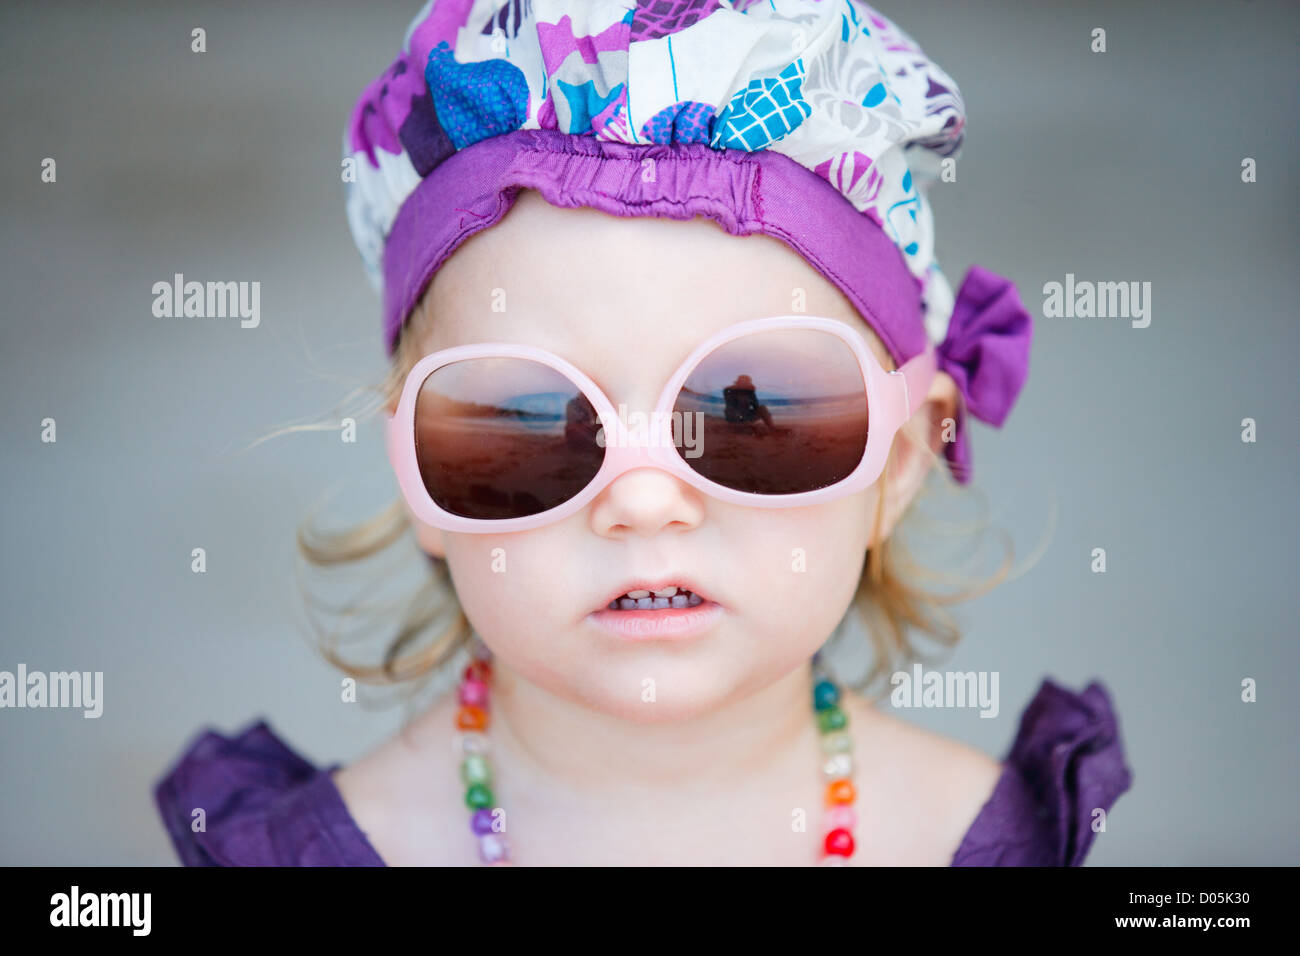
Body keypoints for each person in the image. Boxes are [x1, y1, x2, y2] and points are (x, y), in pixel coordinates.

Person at [154, 0, 1130, 866]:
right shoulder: (319, 848)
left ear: (902, 457)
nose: (646, 497)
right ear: (417, 475)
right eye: (530, 422)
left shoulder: (983, 839)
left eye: (752, 412)